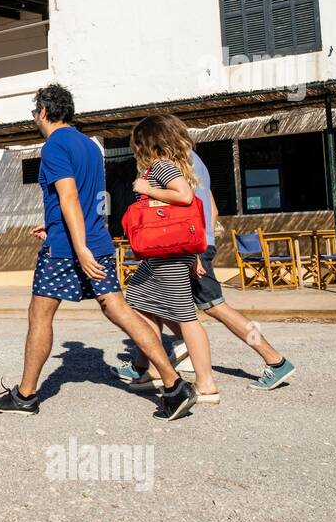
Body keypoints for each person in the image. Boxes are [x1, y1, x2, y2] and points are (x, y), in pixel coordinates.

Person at [0, 84, 196, 420]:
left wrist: (77, 246)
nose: (34, 118)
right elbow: (87, 198)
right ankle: (174, 386)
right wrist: (54, 226)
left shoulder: (54, 145)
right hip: (96, 241)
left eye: (34, 112)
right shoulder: (89, 146)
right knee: (119, 310)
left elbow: (69, 197)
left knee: (39, 315)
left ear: (42, 111)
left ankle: (25, 396)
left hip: (68, 249)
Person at [117, 146, 296, 390]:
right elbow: (212, 206)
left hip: (188, 246)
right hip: (193, 243)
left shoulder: (169, 165)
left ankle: (274, 360)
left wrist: (197, 249)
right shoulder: (192, 159)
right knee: (149, 300)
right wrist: (205, 237)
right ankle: (146, 365)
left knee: (216, 307)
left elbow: (187, 200)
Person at [116, 115, 219, 412]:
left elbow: (185, 198)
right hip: (167, 254)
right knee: (139, 300)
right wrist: (195, 253)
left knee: (185, 317)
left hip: (168, 256)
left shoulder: (161, 166)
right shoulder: (172, 165)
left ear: (148, 143)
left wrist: (146, 188)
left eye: (138, 143)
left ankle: (205, 382)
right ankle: (148, 368)